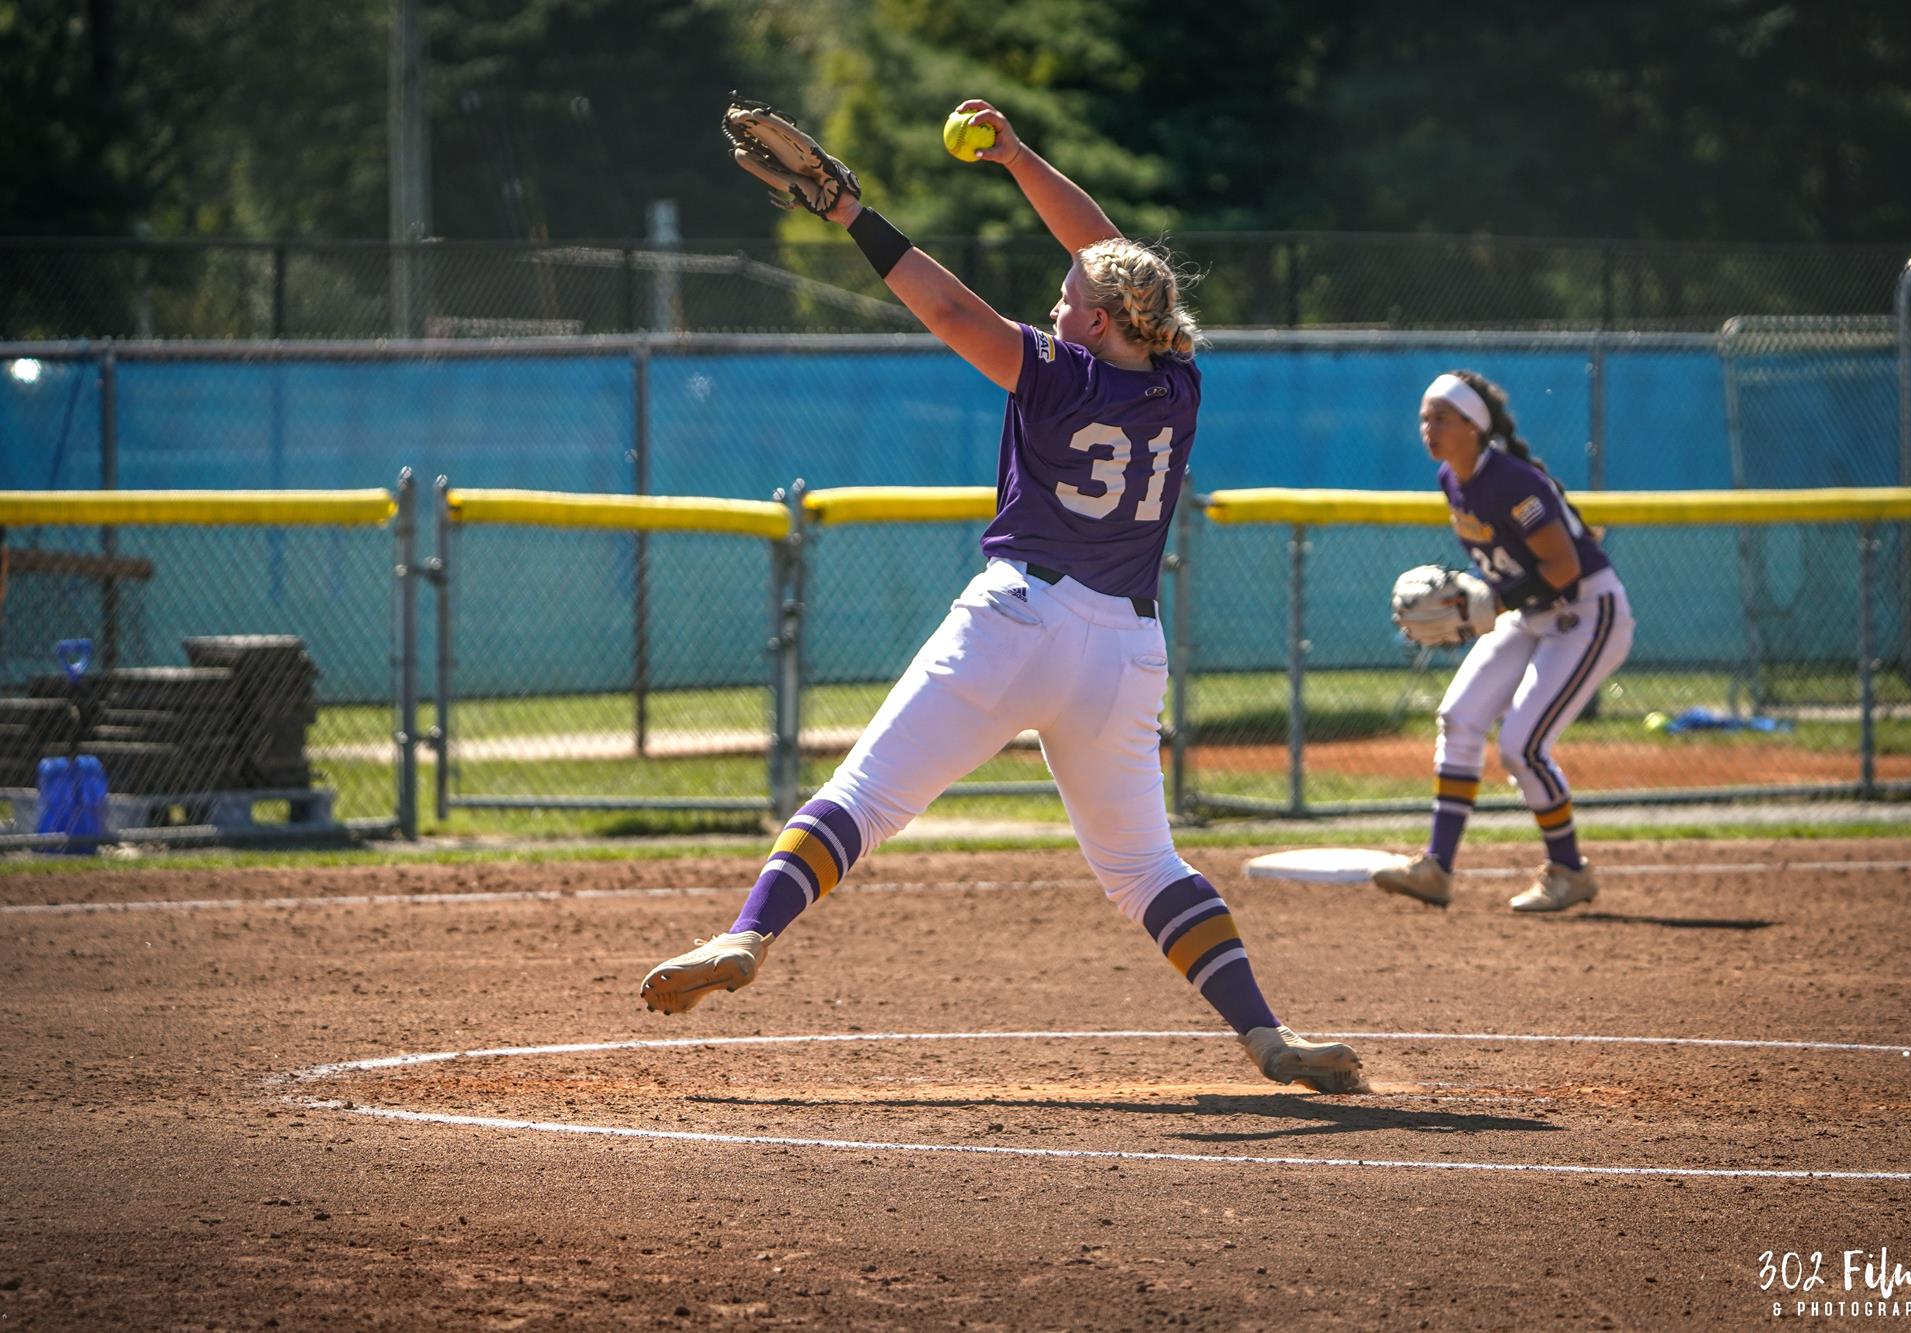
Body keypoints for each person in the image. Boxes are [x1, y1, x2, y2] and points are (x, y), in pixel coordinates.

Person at [640, 100, 1363, 1094]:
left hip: (1016, 619)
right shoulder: (1175, 383)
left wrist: (853, 215)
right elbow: (1114, 255)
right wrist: (1018, 157)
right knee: (1145, 868)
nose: (1059, 300)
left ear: (1097, 321)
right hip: (1122, 655)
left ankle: (747, 932)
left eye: (1069, 296)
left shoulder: (1058, 373)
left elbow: (950, 313)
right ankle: (1265, 1037)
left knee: (862, 798)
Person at [1373, 370, 1636, 912]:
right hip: (1531, 611)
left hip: (1587, 610)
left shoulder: (1512, 482)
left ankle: (1569, 871)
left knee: (1522, 744)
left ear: (1474, 426)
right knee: (1460, 715)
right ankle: (1436, 870)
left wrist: (1492, 604)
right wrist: (1477, 603)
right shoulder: (1453, 478)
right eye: (1425, 417)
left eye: (1441, 417)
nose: (1429, 427)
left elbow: (1563, 569)